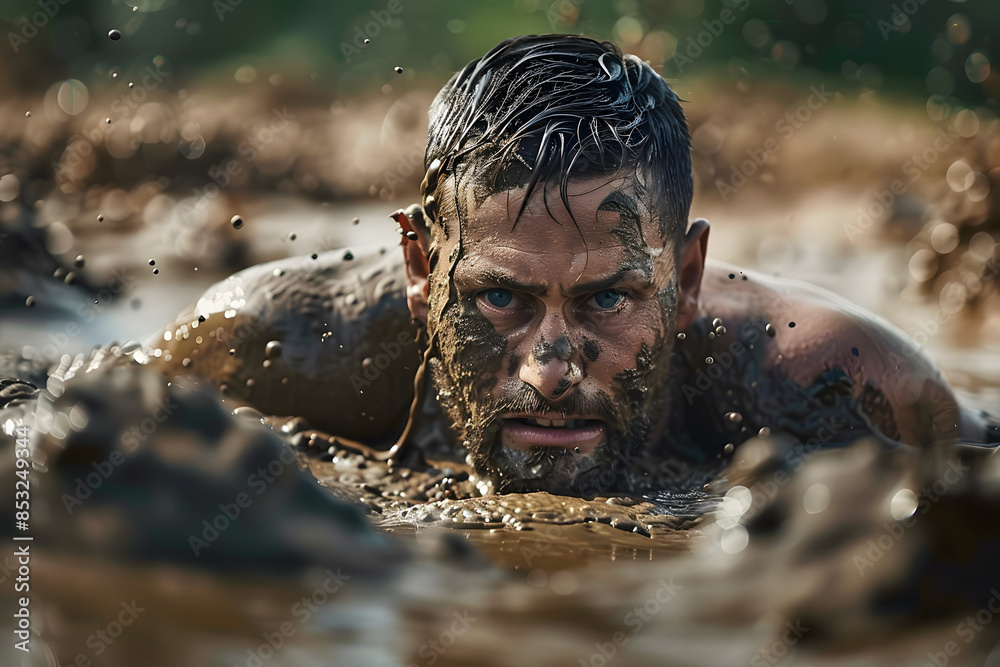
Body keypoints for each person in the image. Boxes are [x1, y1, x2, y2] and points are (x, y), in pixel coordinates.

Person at [149, 34, 998, 497]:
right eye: (499, 298)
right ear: (420, 267)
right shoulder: (271, 347)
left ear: (686, 280)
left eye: (607, 299)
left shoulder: (833, 383)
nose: (549, 371)